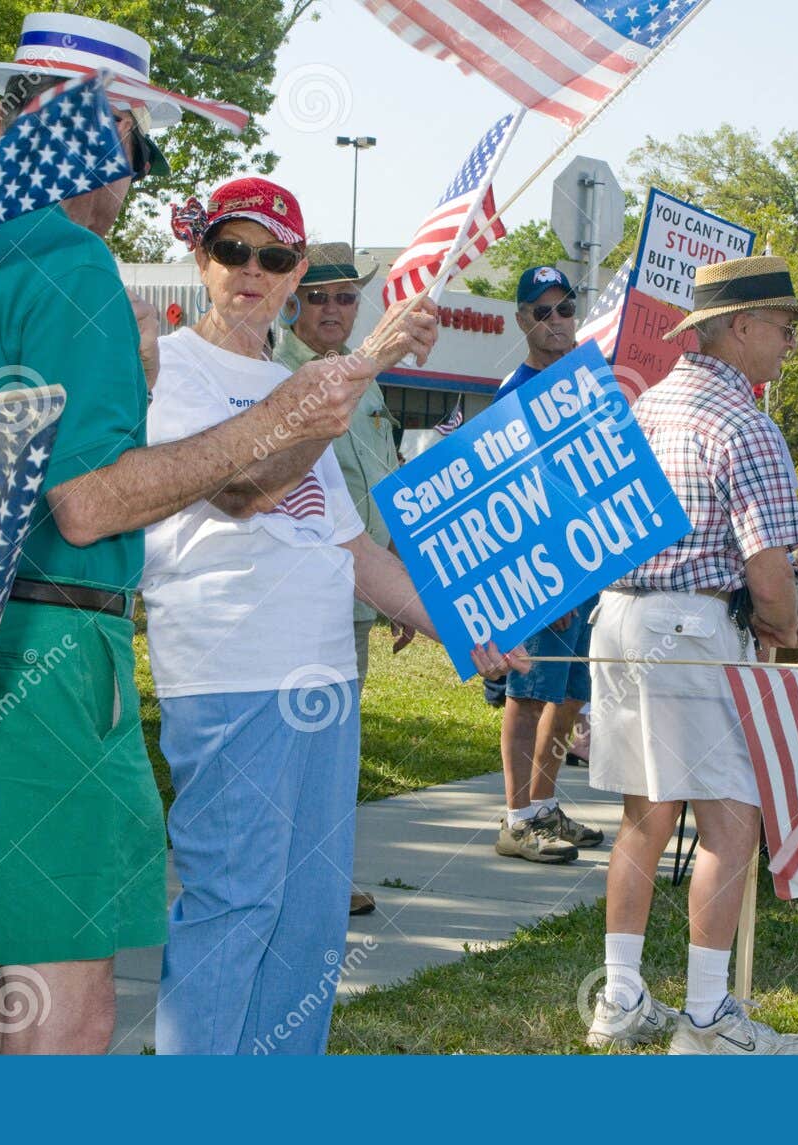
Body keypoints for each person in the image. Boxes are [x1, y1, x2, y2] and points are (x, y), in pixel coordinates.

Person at [0, 13, 420, 1055]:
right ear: (102, 135)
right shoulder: (72, 262)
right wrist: (281, 417)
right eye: (138, 149)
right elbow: (88, 503)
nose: (129, 180)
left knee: (32, 993)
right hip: (46, 635)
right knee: (70, 1008)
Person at [145, 177, 523, 1055]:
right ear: (200, 259)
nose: (252, 271)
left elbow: (357, 555)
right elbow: (246, 487)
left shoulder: (297, 380)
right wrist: (364, 366)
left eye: (274, 257)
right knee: (234, 905)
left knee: (310, 920)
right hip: (231, 674)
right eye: (232, 251)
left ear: (296, 271)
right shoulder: (175, 367)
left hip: (320, 679)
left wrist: (462, 629)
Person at [585, 255, 798, 1055]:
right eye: (785, 328)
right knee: (731, 817)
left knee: (643, 815)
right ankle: (709, 1015)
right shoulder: (744, 424)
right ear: (741, 326)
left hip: (617, 619)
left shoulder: (643, 408)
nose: (790, 344)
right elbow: (771, 574)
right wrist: (782, 626)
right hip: (692, 626)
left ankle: (620, 997)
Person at [274, 240, 405, 917]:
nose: (332, 308)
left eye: (346, 295)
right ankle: (304, 877)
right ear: (293, 298)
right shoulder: (277, 371)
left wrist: (401, 587)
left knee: (335, 741)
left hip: (359, 589)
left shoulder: (366, 379)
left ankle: (321, 871)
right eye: (319, 295)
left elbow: (381, 481)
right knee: (302, 741)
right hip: (301, 593)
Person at [489, 265, 603, 863]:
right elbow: (518, 495)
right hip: (542, 568)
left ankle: (542, 805)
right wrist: (550, 580)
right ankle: (515, 818)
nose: (555, 321)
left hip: (589, 562)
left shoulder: (587, 382)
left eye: (564, 309)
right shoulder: (517, 392)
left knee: (571, 694)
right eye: (541, 311)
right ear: (521, 320)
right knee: (528, 691)